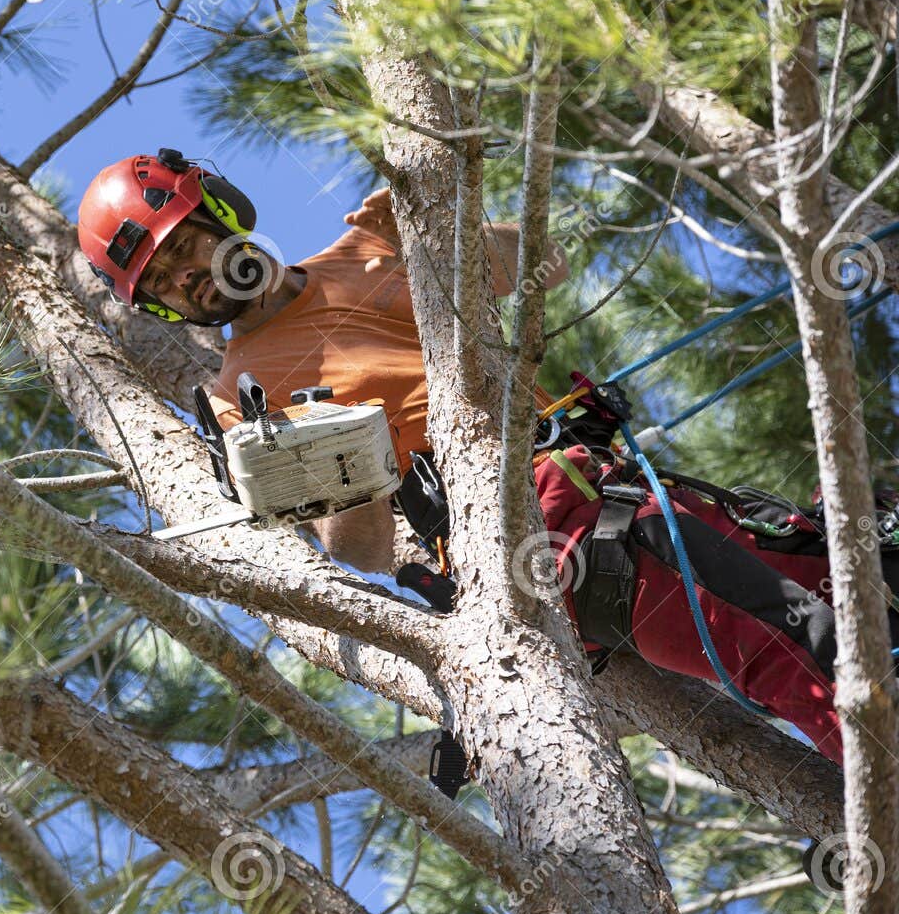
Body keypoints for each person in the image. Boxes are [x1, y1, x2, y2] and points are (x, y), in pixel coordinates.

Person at [76, 148, 893, 766]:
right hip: (546, 532)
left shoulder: (366, 239)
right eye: (173, 280)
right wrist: (346, 468)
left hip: (619, 477)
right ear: (163, 306)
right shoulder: (237, 395)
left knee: (857, 580)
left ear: (223, 211)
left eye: (190, 243)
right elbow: (356, 551)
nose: (197, 275)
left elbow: (547, 260)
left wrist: (443, 232)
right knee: (792, 647)